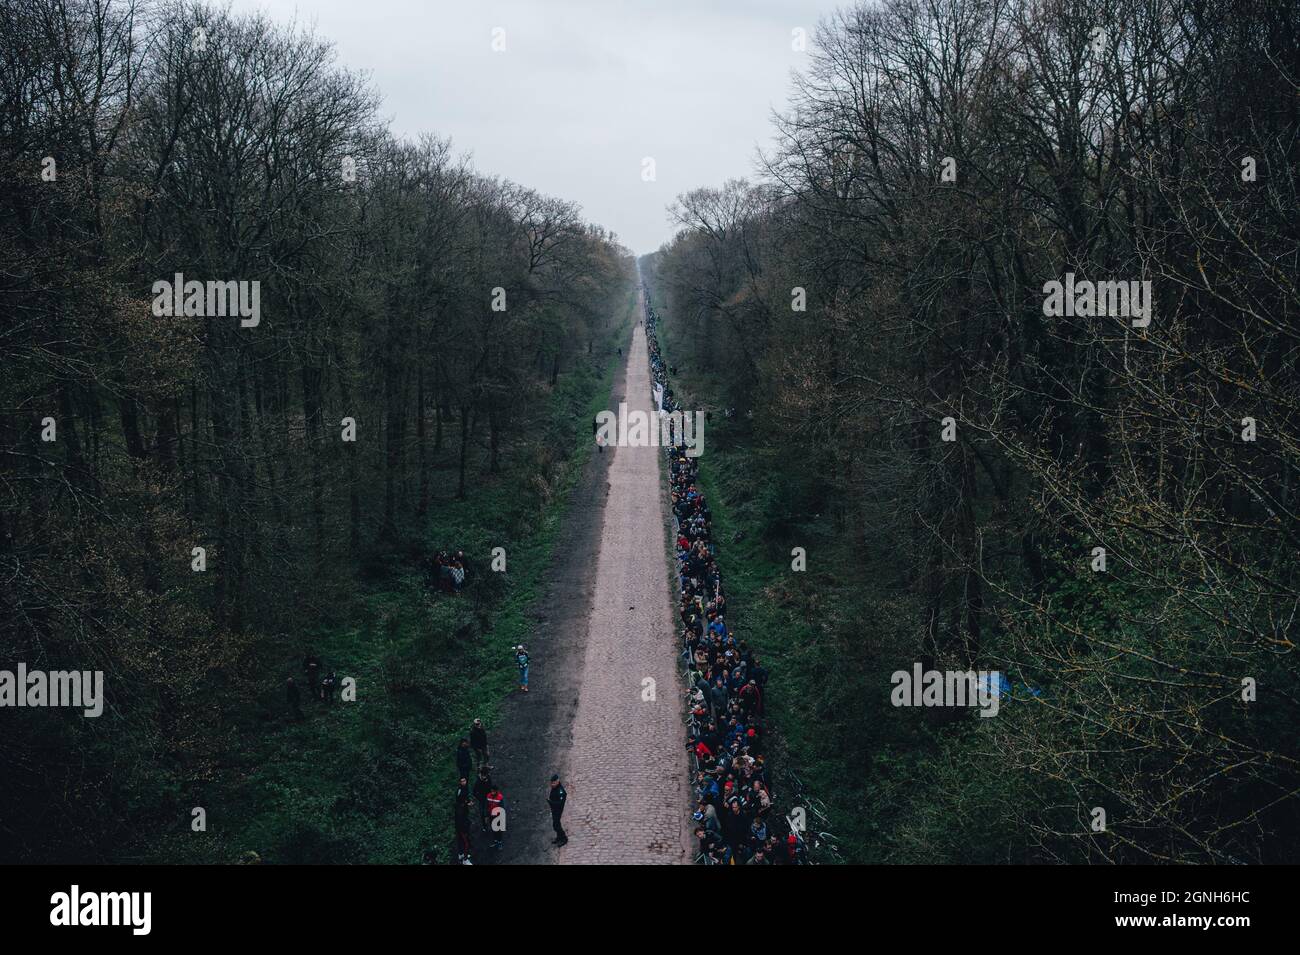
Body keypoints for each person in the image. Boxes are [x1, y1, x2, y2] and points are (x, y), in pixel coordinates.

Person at [548, 774, 568, 846]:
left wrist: (551, 802)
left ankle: (564, 838)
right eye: (551, 783)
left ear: (557, 781)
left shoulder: (561, 791)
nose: (552, 785)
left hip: (558, 810)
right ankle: (559, 837)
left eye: (553, 783)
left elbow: (560, 803)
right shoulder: (555, 788)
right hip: (554, 809)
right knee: (555, 824)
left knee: (556, 825)